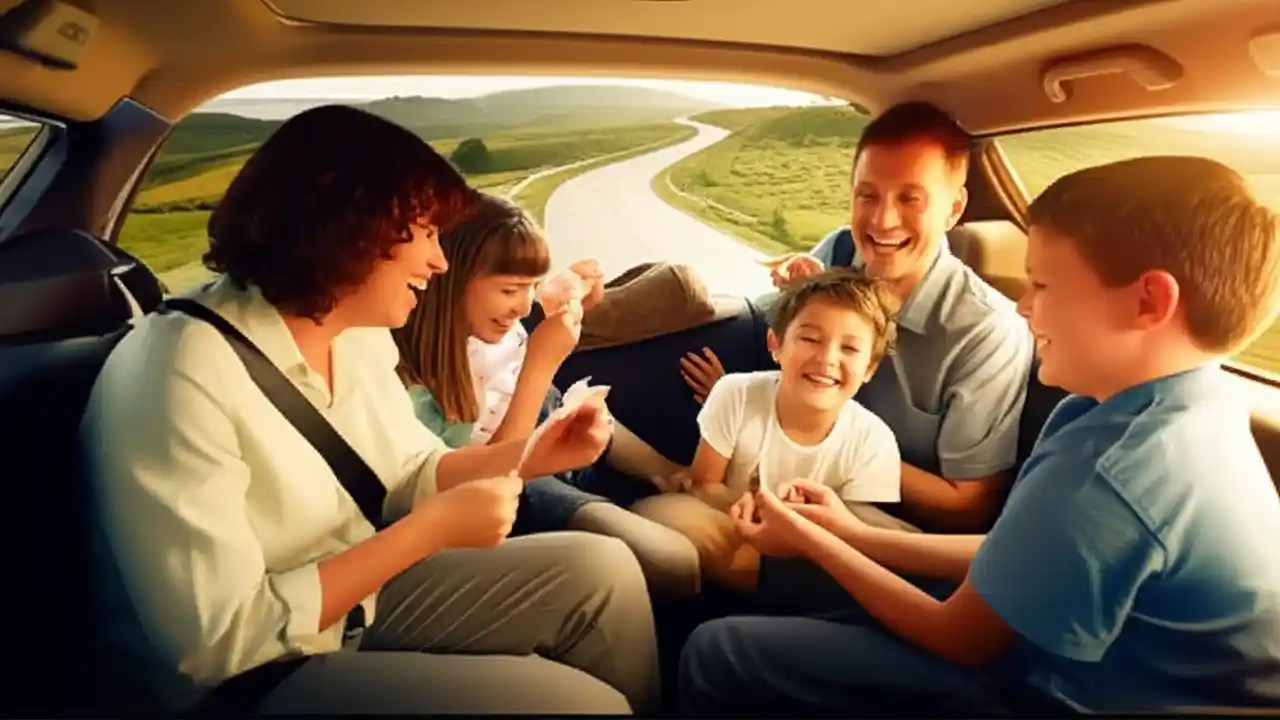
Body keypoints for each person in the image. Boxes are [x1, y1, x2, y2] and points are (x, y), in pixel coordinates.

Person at [83, 105, 660, 716]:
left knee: (604, 569)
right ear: (350, 229)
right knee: (581, 706)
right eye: (427, 232)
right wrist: (429, 532)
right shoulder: (181, 369)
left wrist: (532, 455)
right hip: (248, 676)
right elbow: (215, 642)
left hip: (353, 595)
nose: (439, 262)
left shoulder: (353, 331)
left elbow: (410, 471)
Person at [678, 155, 1280, 715]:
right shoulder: (1176, 404)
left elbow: (962, 639)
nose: (1023, 307)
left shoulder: (1117, 469)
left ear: (1148, 300)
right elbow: (1015, 555)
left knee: (718, 651)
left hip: (1065, 691)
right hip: (1049, 643)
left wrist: (816, 542)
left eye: (1042, 286)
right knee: (812, 584)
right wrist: (850, 531)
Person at [680, 101, 1033, 533]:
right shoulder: (837, 253)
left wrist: (824, 439)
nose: (883, 222)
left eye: (910, 199)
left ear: (954, 209)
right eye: (868, 196)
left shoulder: (987, 334)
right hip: (778, 491)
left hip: (881, 530)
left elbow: (967, 506)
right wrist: (750, 404)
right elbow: (790, 360)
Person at [391, 191, 700, 597]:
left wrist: (578, 287)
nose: (523, 306)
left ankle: (670, 474)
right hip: (514, 476)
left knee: (672, 476)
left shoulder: (491, 324)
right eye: (509, 291)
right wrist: (540, 363)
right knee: (676, 562)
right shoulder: (410, 385)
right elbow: (487, 476)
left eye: (530, 288)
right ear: (451, 282)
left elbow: (549, 299)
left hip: (549, 427)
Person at [632, 270, 904, 592]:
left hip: (813, 555)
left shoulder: (875, 441)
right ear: (776, 344)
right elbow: (705, 484)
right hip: (729, 520)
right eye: (810, 339)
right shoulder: (736, 392)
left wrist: (791, 532)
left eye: (849, 349)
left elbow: (858, 536)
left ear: (870, 368)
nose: (827, 359)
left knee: (881, 550)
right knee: (664, 512)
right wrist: (758, 514)